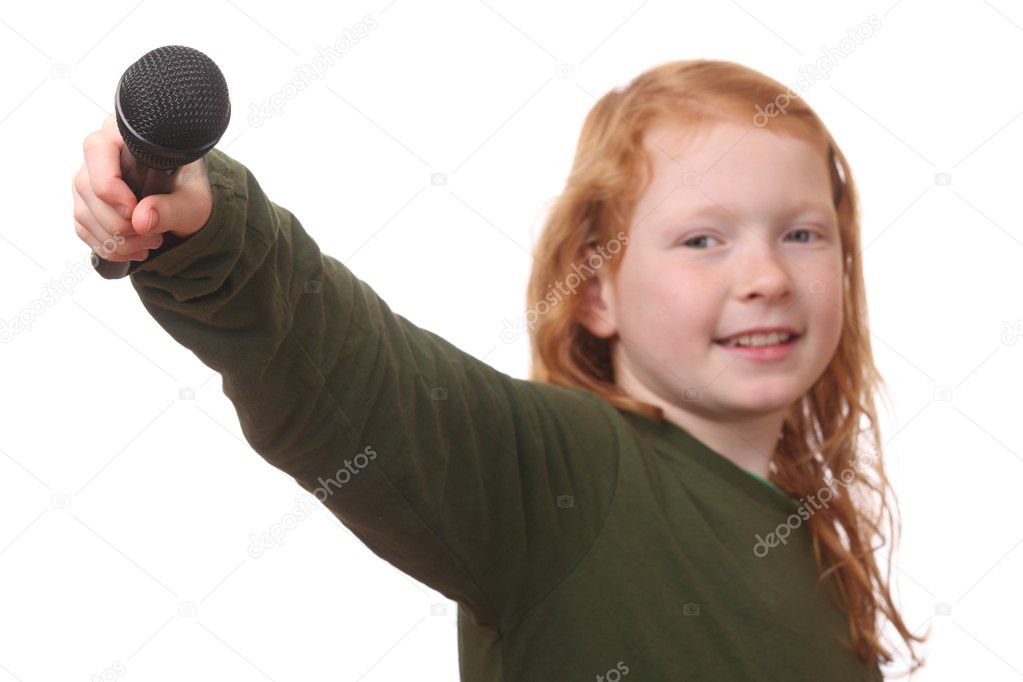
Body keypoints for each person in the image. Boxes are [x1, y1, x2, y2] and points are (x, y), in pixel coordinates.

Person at [71, 58, 926, 679]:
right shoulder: (564, 472)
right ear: (595, 293)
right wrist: (212, 223)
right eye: (702, 239)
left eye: (801, 234)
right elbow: (349, 366)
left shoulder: (810, 540)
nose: (767, 277)